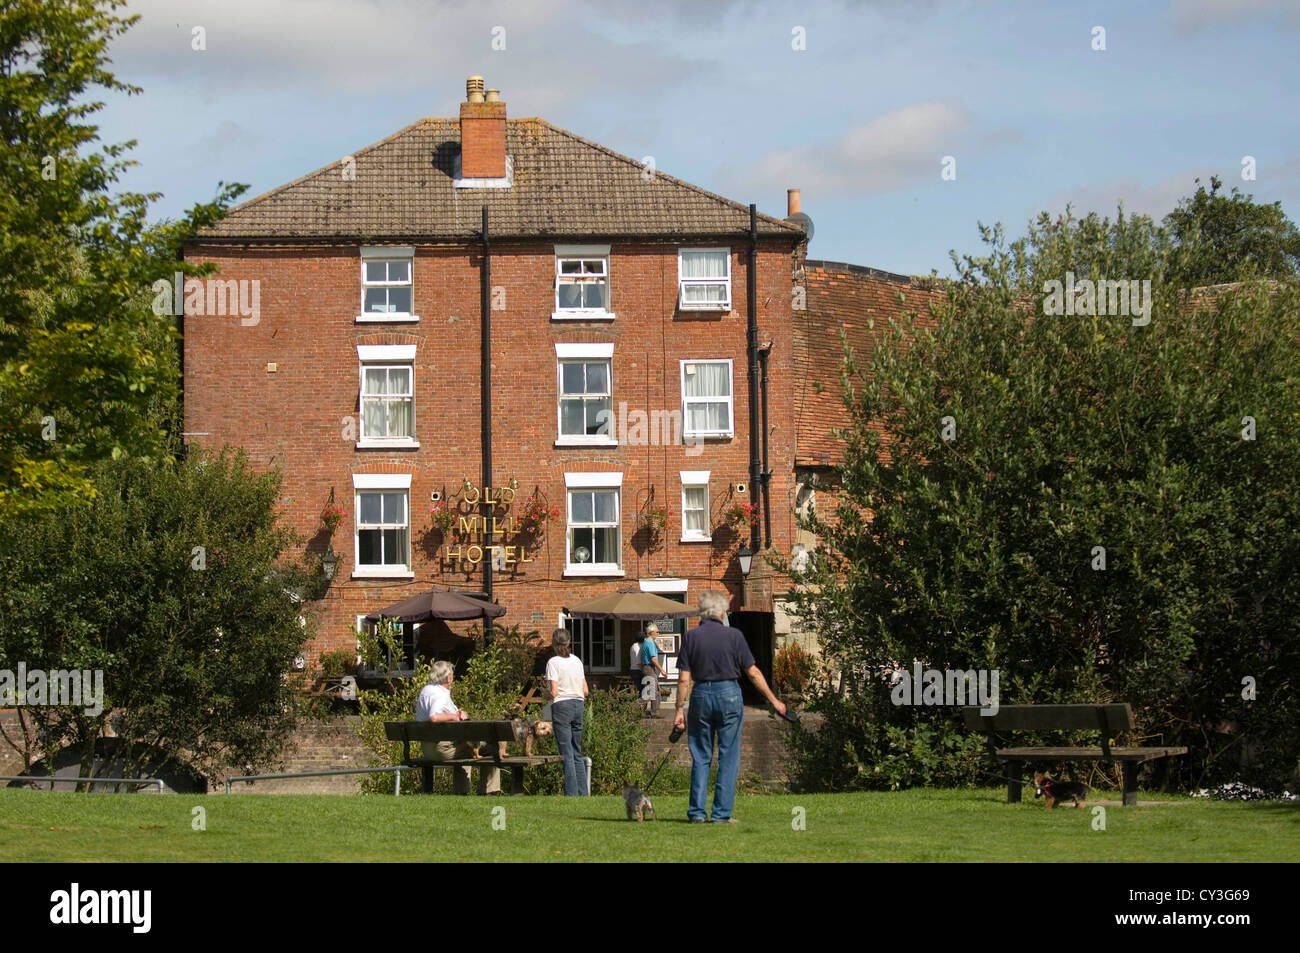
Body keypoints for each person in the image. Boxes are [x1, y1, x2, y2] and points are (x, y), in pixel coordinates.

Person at [673, 591, 786, 823]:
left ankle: (696, 813)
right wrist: (773, 700)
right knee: (728, 756)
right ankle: (721, 814)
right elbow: (752, 672)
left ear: (701, 613)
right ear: (722, 612)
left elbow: (684, 679)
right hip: (729, 694)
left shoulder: (691, 637)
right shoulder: (734, 636)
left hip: (701, 694)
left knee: (701, 756)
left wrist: (678, 710)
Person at [414, 660, 500, 796]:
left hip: (427, 749)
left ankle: (461, 791)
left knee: (465, 746)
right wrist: (454, 717)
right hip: (441, 750)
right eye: (452, 675)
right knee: (491, 747)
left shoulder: (426, 690)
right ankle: (489, 791)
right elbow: (434, 717)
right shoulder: (440, 695)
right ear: (448, 677)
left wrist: (455, 714)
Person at [546, 628, 590, 796]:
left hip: (562, 706)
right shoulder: (577, 661)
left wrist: (544, 696)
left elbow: (554, 691)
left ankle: (571, 794)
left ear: (553, 643)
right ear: (569, 642)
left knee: (566, 753)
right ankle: (583, 792)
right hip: (578, 704)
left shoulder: (553, 662)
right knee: (577, 752)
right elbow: (585, 690)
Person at [640, 624, 668, 718]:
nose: (658, 633)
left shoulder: (648, 642)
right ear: (652, 633)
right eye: (657, 632)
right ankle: (632, 708)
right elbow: (653, 658)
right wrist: (662, 670)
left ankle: (654, 712)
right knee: (651, 691)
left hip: (648, 668)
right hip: (649, 668)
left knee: (655, 691)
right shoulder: (650, 643)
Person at [628, 631, 645, 700]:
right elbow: (638, 662)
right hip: (638, 670)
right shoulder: (638, 647)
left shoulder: (633, 646)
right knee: (642, 691)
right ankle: (640, 708)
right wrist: (644, 671)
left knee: (639, 689)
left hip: (633, 669)